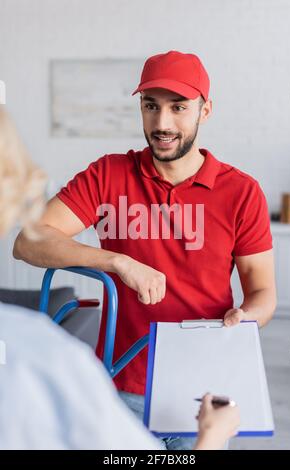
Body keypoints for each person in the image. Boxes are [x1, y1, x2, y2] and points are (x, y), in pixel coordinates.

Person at [14, 50, 276, 450]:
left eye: (178, 107)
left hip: (201, 392)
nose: (162, 123)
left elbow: (263, 294)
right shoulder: (108, 174)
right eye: (150, 106)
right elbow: (29, 241)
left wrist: (245, 318)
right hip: (120, 387)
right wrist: (118, 262)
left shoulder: (242, 192)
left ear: (205, 111)